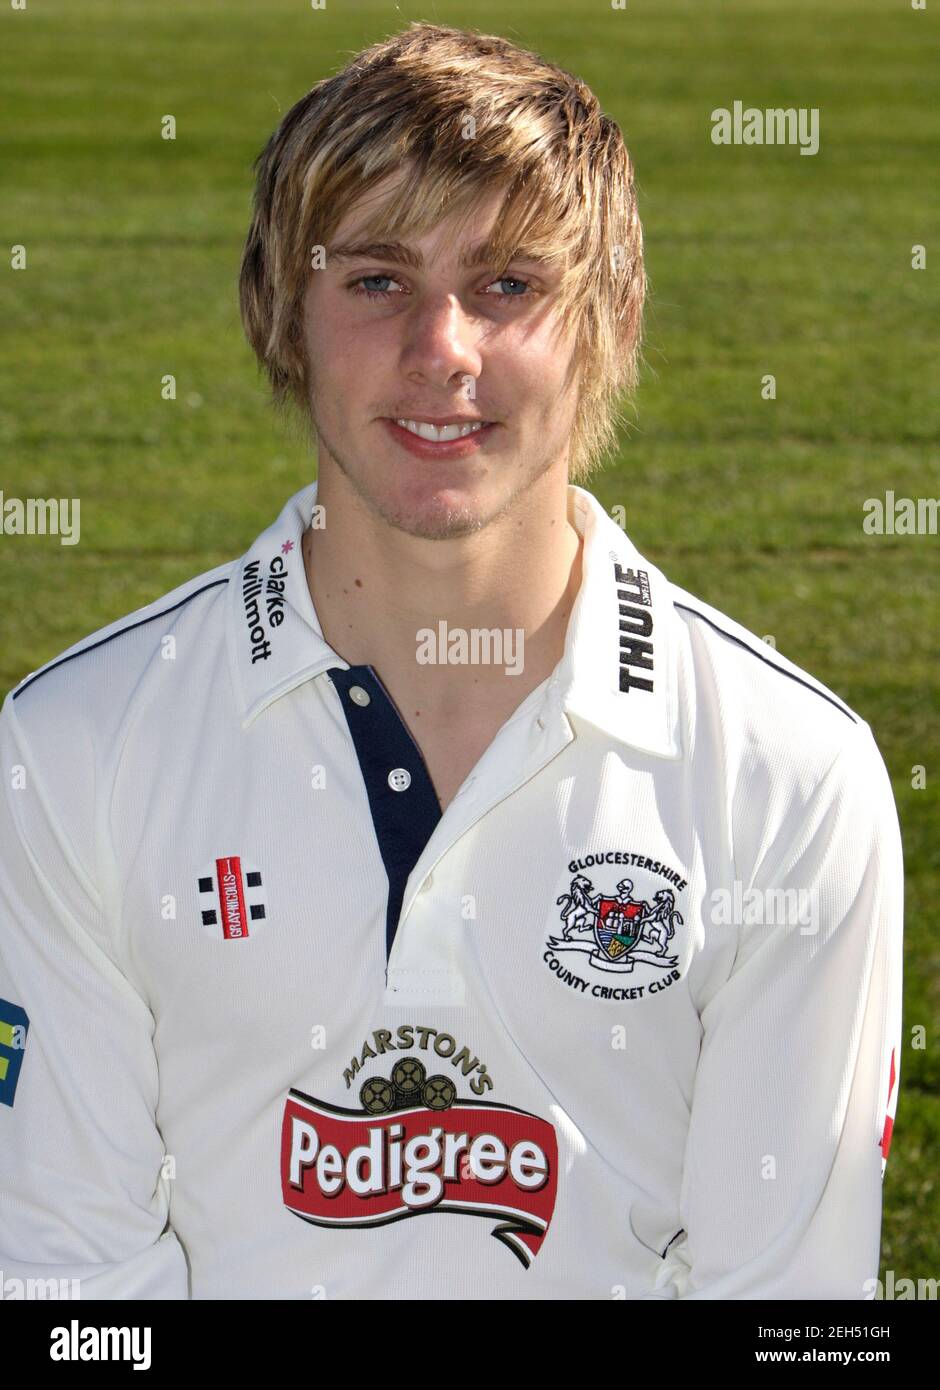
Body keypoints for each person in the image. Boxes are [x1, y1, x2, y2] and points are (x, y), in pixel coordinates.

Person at [0, 21, 902, 1300]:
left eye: (507, 285)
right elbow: (66, 1296)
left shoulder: (792, 777)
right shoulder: (75, 748)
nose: (444, 350)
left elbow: (788, 1312)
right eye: (375, 279)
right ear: (280, 309)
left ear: (609, 319)